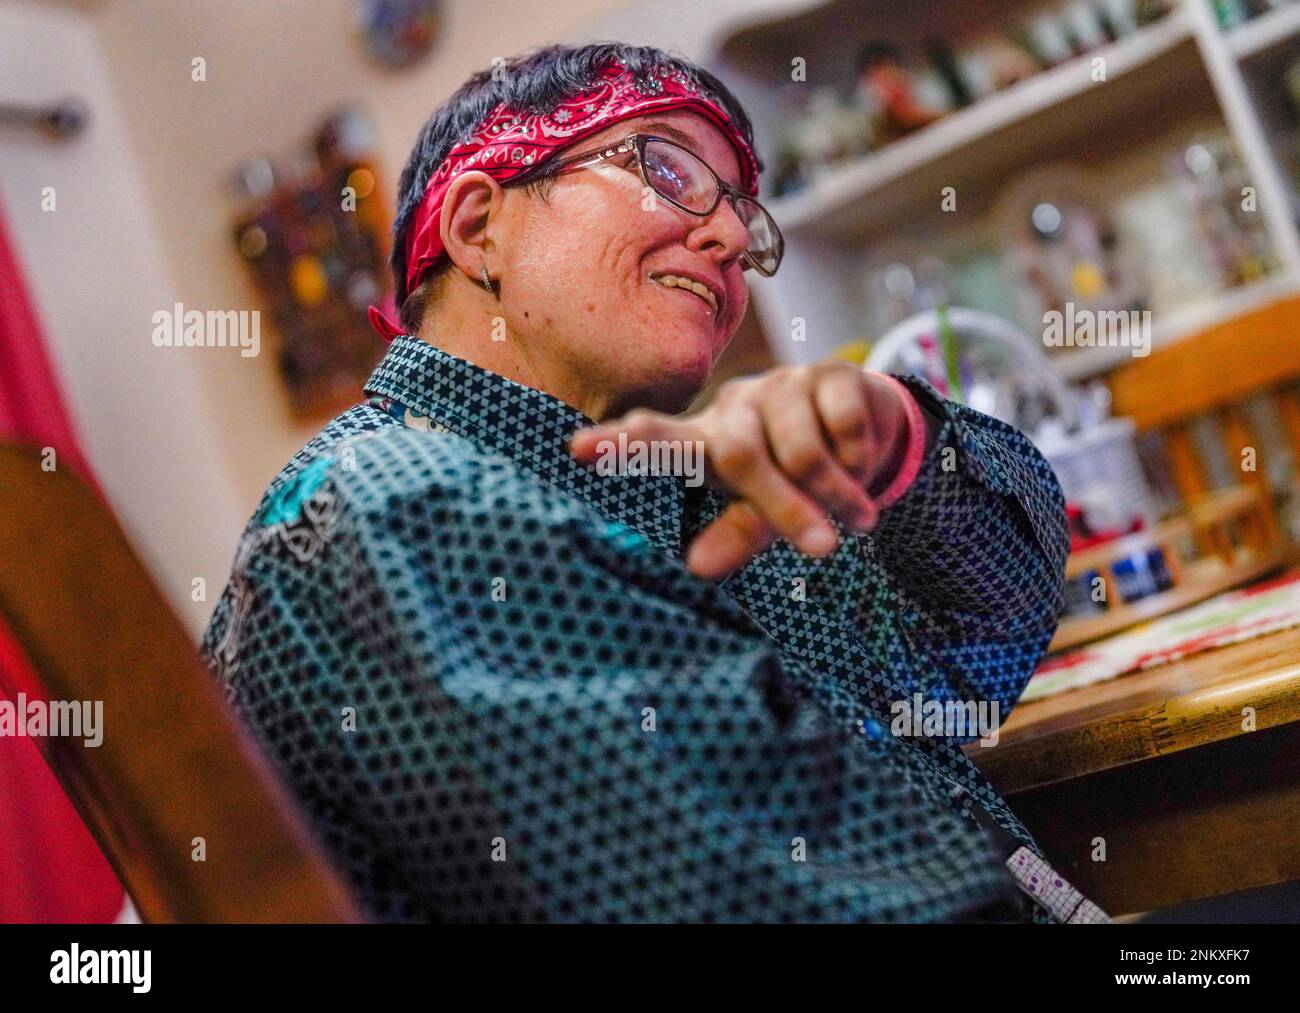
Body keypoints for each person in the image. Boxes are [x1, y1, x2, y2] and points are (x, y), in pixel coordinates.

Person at [202, 43, 1105, 923]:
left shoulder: (678, 486)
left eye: (746, 220)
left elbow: (979, 646)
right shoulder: (394, 511)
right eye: (667, 171)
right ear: (478, 228)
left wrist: (898, 443)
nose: (727, 237)